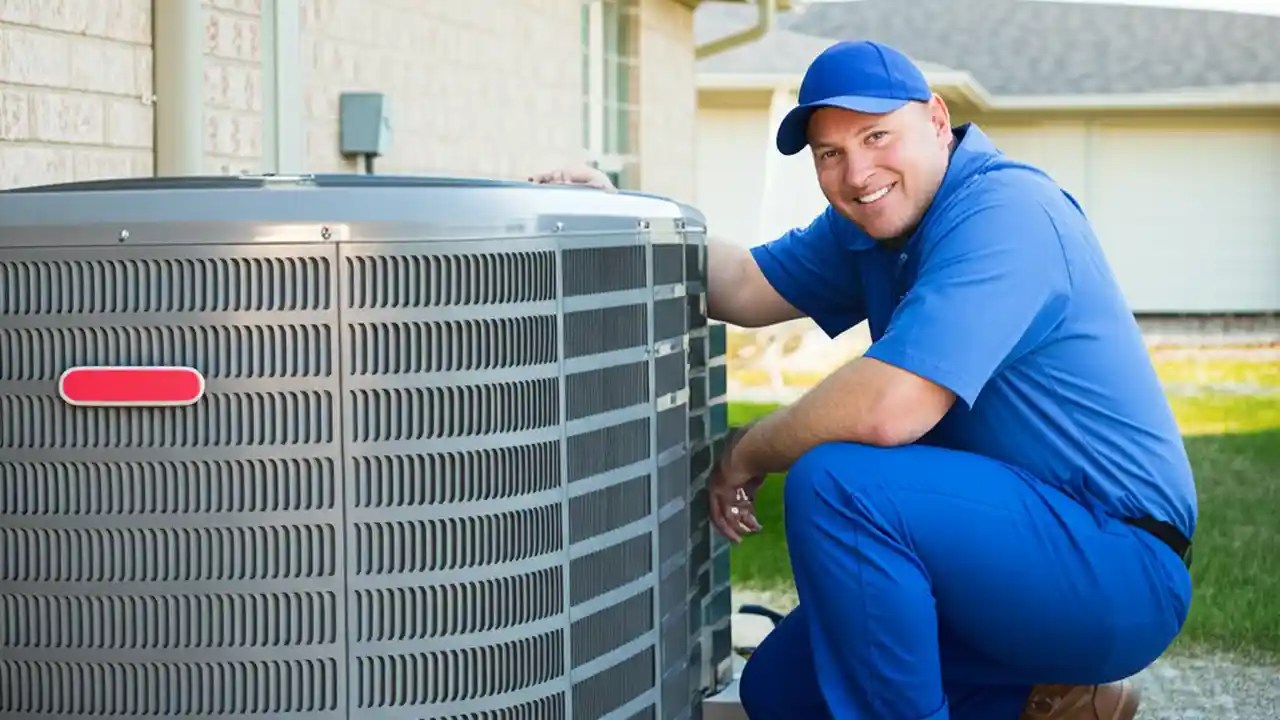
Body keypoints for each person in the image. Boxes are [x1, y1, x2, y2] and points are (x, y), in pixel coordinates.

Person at [532, 39, 1195, 720]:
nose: (856, 172)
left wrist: (745, 450)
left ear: (936, 121)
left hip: (1114, 562)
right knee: (783, 691)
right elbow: (743, 284)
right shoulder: (872, 229)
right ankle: (1057, 694)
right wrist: (626, 220)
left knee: (840, 486)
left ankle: (1067, 662)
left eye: (877, 135)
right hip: (995, 552)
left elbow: (890, 409)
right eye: (830, 153)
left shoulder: (1008, 213)